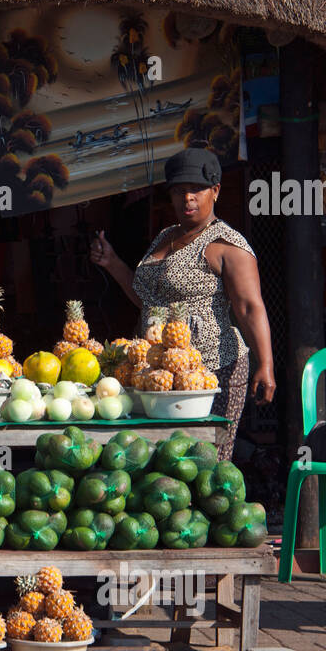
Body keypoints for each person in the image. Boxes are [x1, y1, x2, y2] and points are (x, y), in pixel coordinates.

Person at [90, 147, 275, 458]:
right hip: (157, 371)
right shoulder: (165, 236)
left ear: (215, 191)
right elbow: (146, 299)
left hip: (210, 371)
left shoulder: (227, 245)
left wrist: (266, 364)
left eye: (196, 190)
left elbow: (249, 307)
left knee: (204, 463)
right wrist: (112, 263)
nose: (187, 198)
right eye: (178, 191)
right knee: (161, 465)